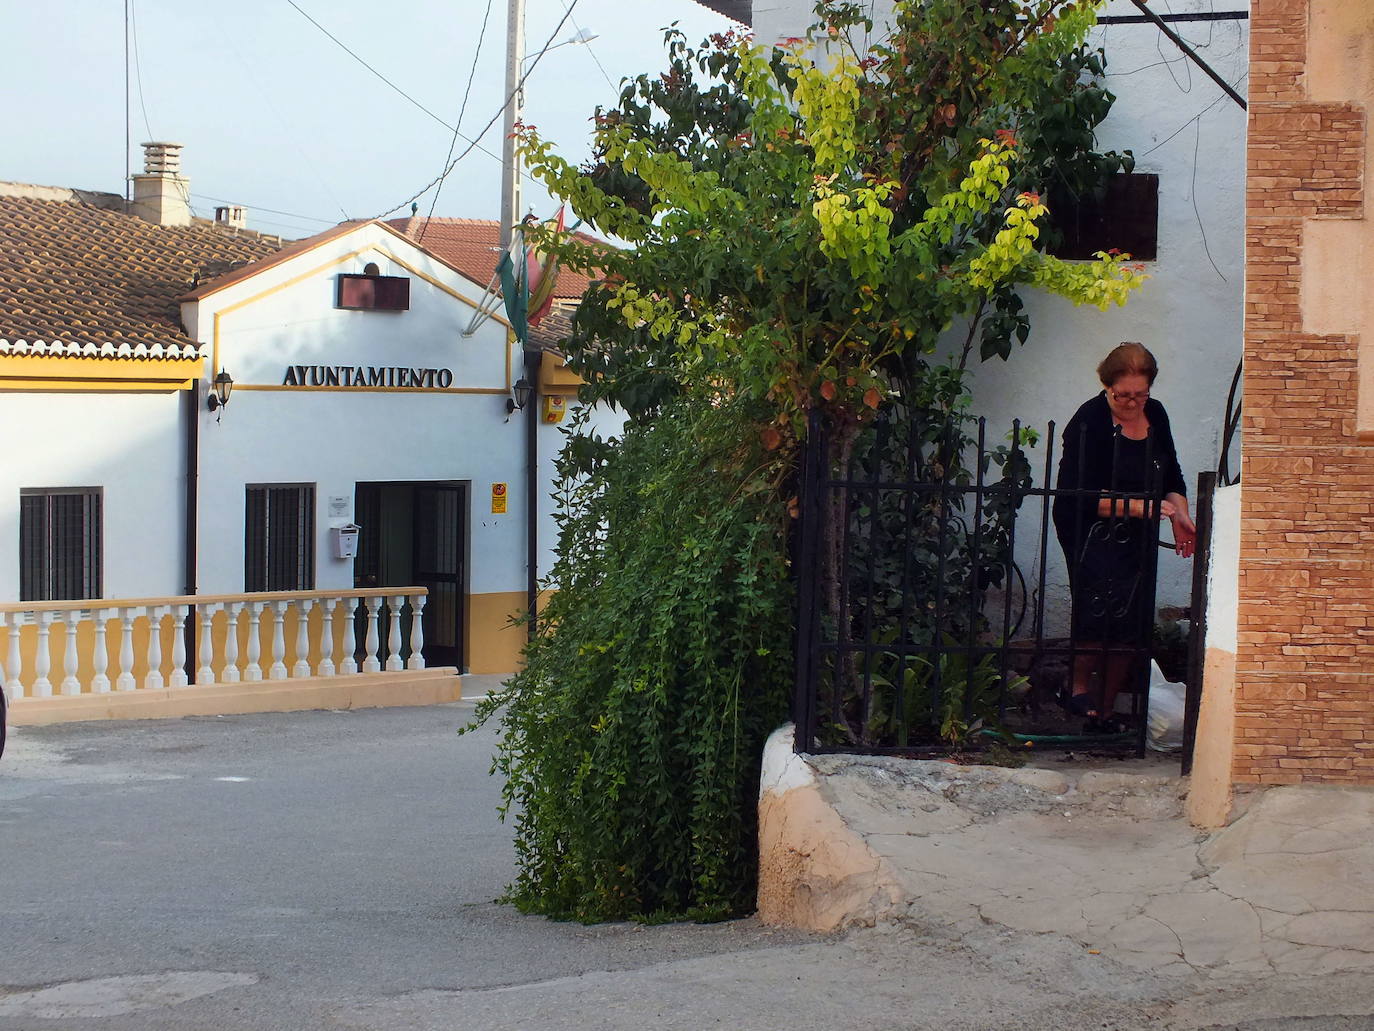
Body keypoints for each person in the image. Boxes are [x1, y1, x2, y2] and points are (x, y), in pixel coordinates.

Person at [1051, 342, 1196, 723]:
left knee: (1132, 612)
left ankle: (1106, 706)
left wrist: (1180, 515)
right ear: (1107, 385)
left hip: (1139, 526)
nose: (1132, 403)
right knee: (1097, 605)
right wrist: (1141, 507)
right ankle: (1076, 688)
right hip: (1089, 527)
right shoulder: (1088, 420)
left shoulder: (1156, 413)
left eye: (1140, 394)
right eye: (1123, 395)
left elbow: (1172, 474)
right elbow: (1077, 495)